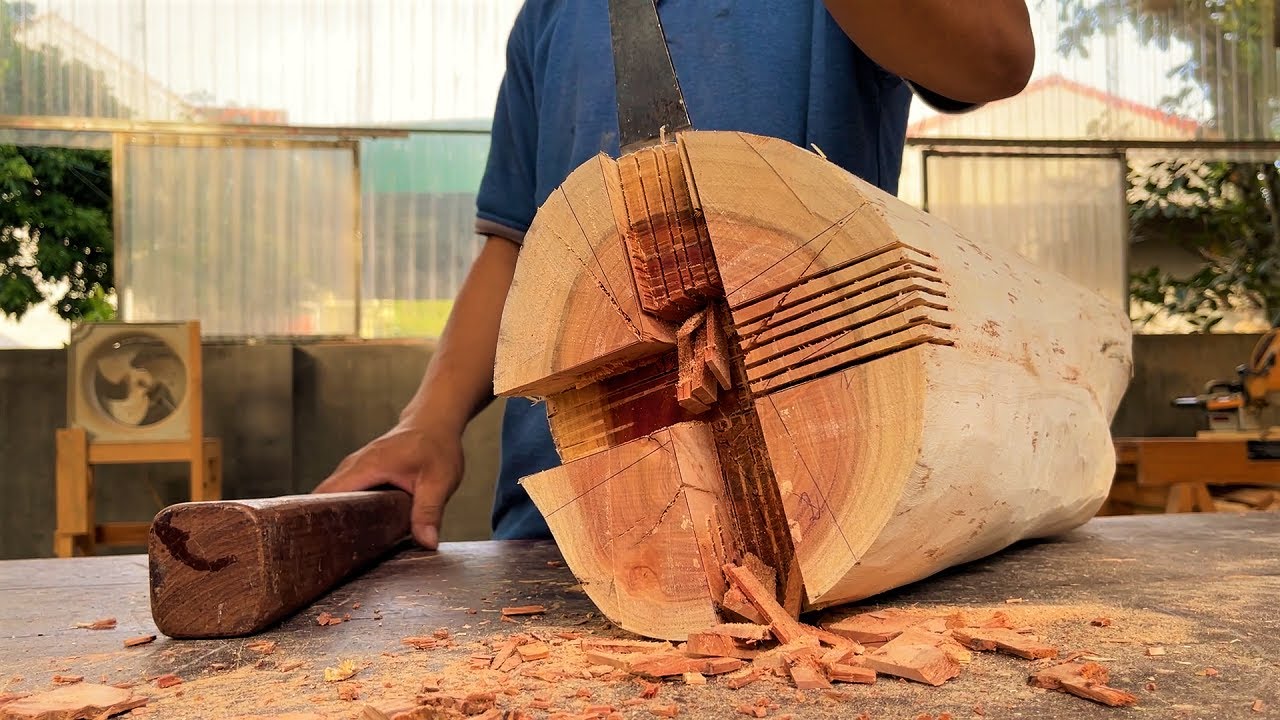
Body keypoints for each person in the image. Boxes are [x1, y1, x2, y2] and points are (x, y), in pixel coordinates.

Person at [314, 0, 1036, 549]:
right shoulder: (552, 13)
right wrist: (428, 424)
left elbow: (997, 57)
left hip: (813, 505)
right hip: (566, 519)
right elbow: (516, 244)